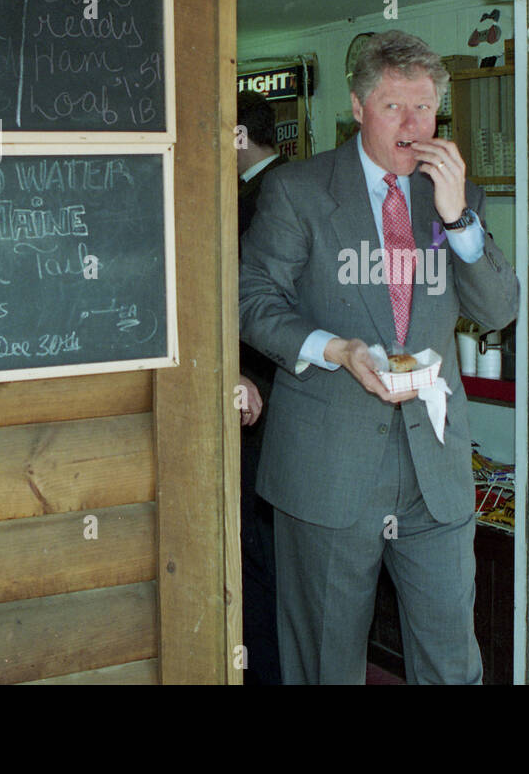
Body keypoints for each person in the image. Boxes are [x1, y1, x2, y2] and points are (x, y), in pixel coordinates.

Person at [239, 30, 520, 684]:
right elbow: (251, 300)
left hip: (434, 468)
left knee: (452, 661)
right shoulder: (299, 191)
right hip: (329, 466)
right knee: (325, 664)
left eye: (425, 108)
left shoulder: (453, 196)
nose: (413, 124)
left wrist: (458, 220)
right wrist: (332, 347)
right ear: (358, 105)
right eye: (395, 106)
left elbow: (500, 308)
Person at [235, 88, 290, 686]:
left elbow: (245, 301)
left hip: (260, 396)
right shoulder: (299, 184)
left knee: (261, 553)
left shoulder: (258, 199)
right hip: (286, 395)